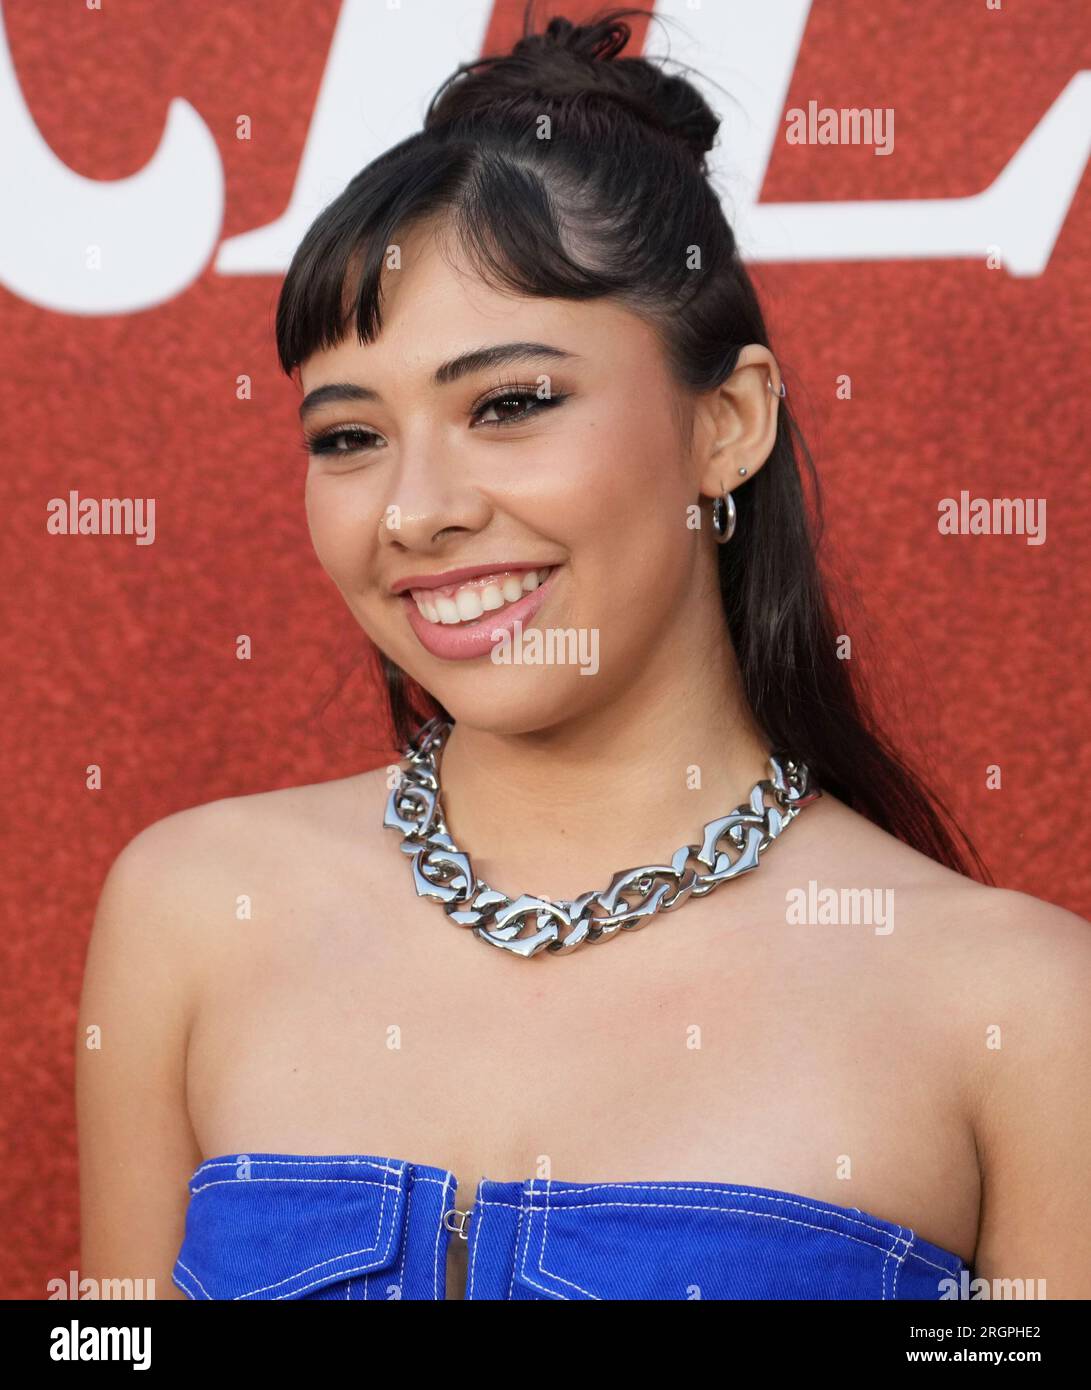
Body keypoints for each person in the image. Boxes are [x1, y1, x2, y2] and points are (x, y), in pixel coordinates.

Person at [77, 4, 1090, 1301]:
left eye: (510, 404)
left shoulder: (1021, 1007)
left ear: (727, 422)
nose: (415, 506)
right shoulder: (192, 908)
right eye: (347, 436)